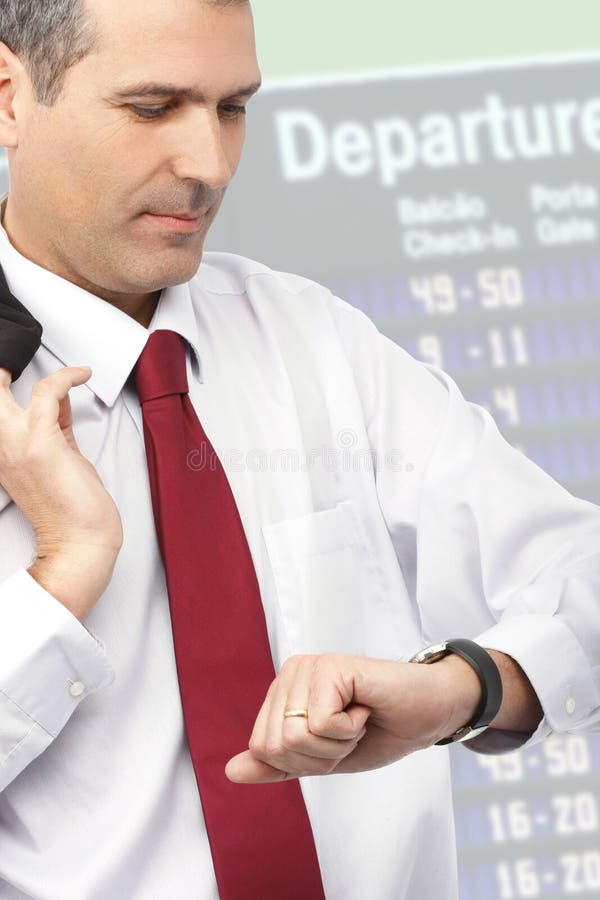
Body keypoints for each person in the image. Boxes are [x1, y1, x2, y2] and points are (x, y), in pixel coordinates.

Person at [0, 1, 598, 898]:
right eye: (153, 107)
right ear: (10, 97)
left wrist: (467, 687)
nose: (209, 165)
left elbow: (578, 566)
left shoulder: (311, 338)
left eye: (233, 107)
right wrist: (67, 566)